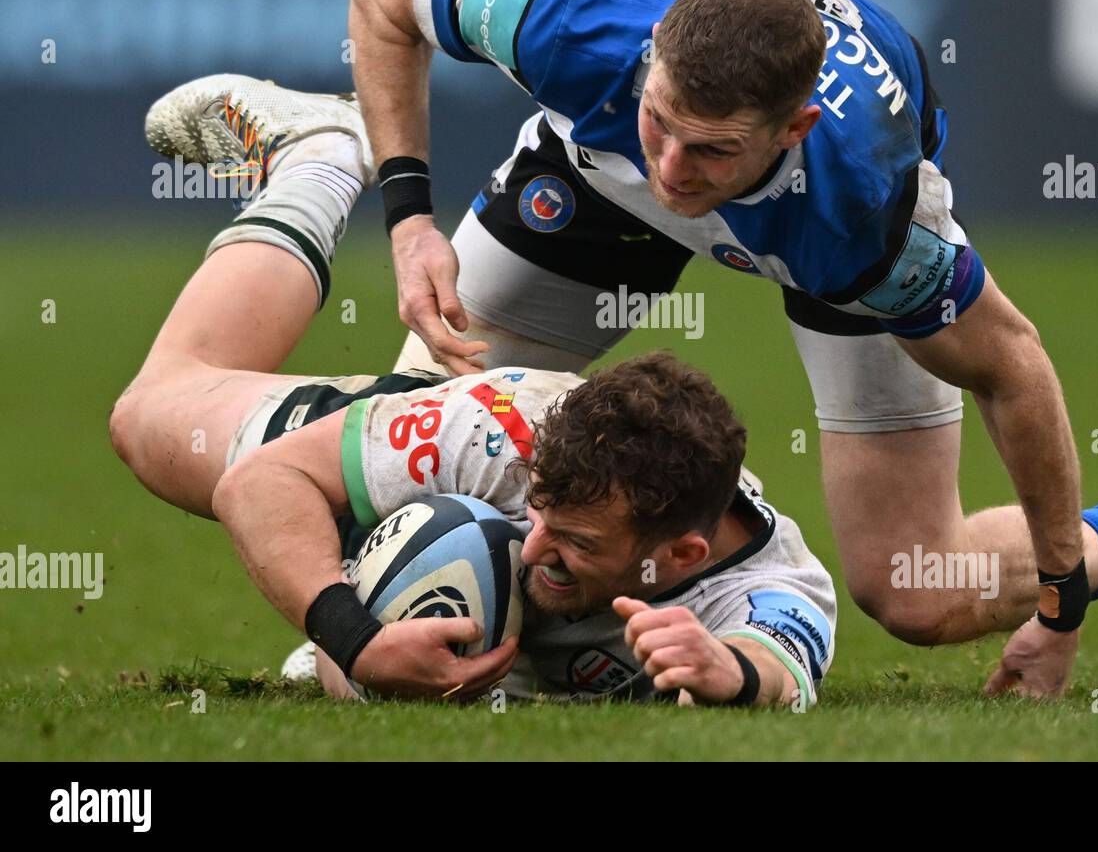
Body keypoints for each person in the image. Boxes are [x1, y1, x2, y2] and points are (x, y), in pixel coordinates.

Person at [143, 0, 1098, 698]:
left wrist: (1061, 609)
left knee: (910, 584)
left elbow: (1014, 366)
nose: (673, 165)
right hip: (585, 182)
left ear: (792, 131)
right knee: (418, 442)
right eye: (663, 118)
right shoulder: (570, 20)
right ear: (649, 61)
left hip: (804, 249)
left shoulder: (863, 218)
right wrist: (409, 219)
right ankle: (409, 624)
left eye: (712, 146)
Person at [109, 115, 836, 705]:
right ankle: (320, 158)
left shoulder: (772, 582)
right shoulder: (504, 432)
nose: (534, 543)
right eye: (543, 512)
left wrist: (726, 674)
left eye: (577, 540)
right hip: (434, 433)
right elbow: (258, 485)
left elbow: (771, 665)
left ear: (682, 557)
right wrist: (352, 636)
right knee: (147, 415)